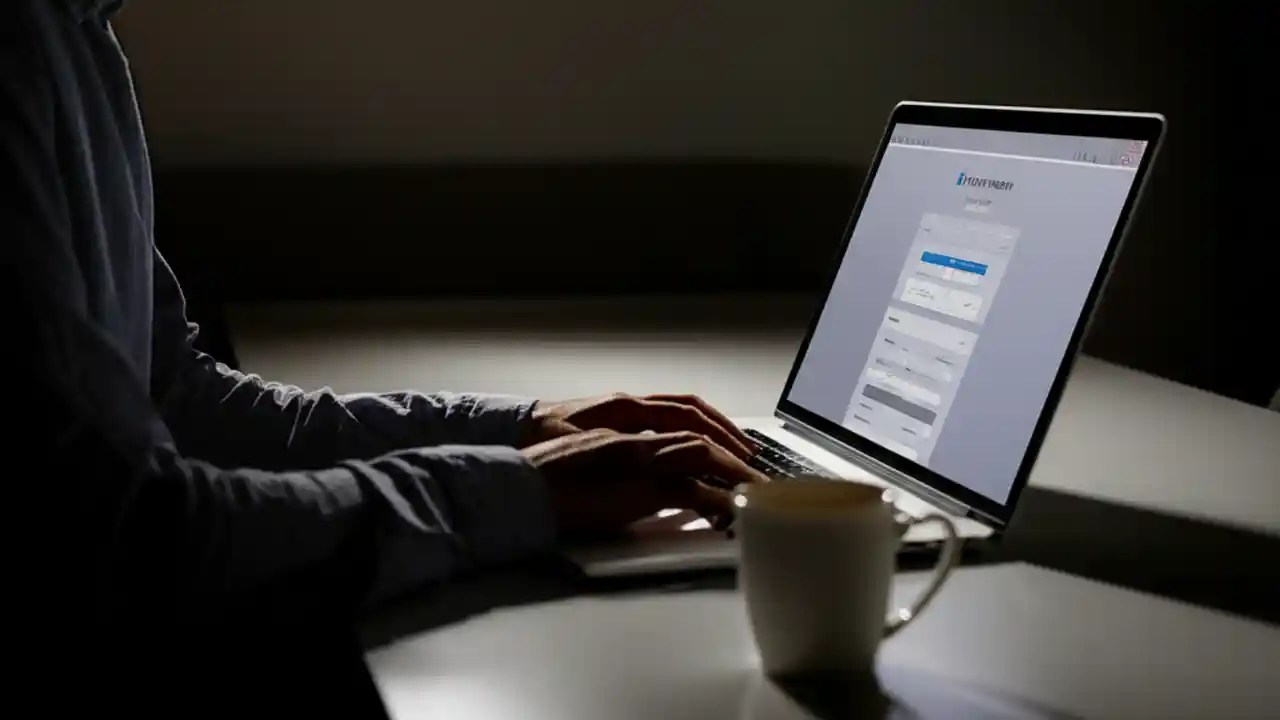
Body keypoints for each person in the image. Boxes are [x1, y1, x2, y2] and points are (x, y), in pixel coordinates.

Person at [2, 0, 765, 669]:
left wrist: (518, 430)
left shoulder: (74, 28)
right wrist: (519, 492)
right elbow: (136, 542)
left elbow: (175, 396)